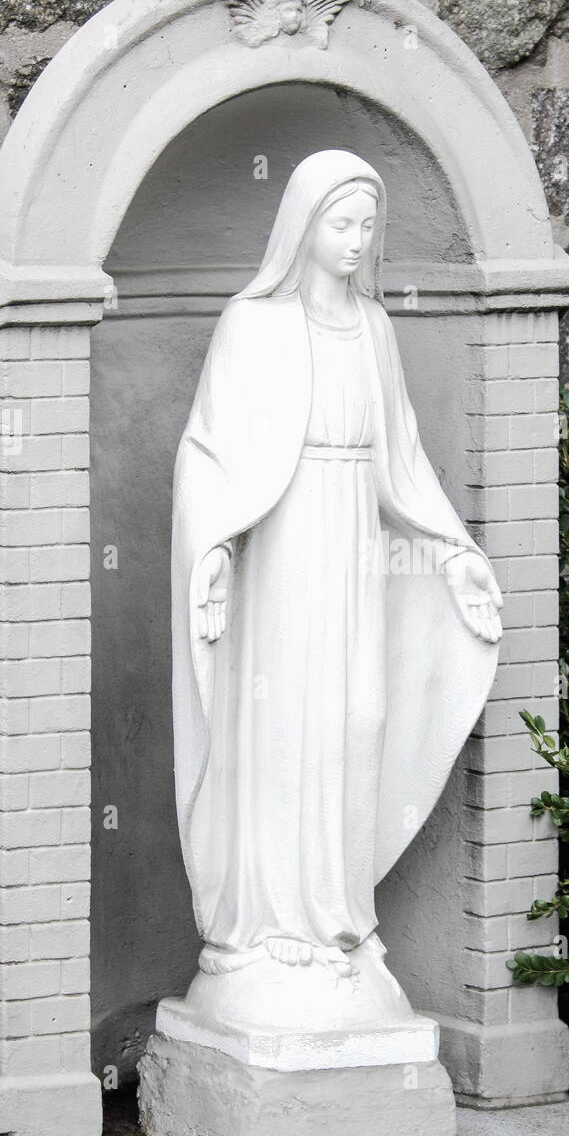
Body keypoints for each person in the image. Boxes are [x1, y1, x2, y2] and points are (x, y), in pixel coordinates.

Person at [171, 149, 502, 991]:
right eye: (340, 223)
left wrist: (455, 554)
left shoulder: (375, 328)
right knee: (283, 724)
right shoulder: (253, 325)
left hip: (354, 542)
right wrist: (211, 551)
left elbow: (404, 466)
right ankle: (272, 923)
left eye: (367, 225)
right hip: (281, 552)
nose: (356, 241)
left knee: (356, 716)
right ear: (304, 227)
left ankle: (341, 919)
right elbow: (209, 453)